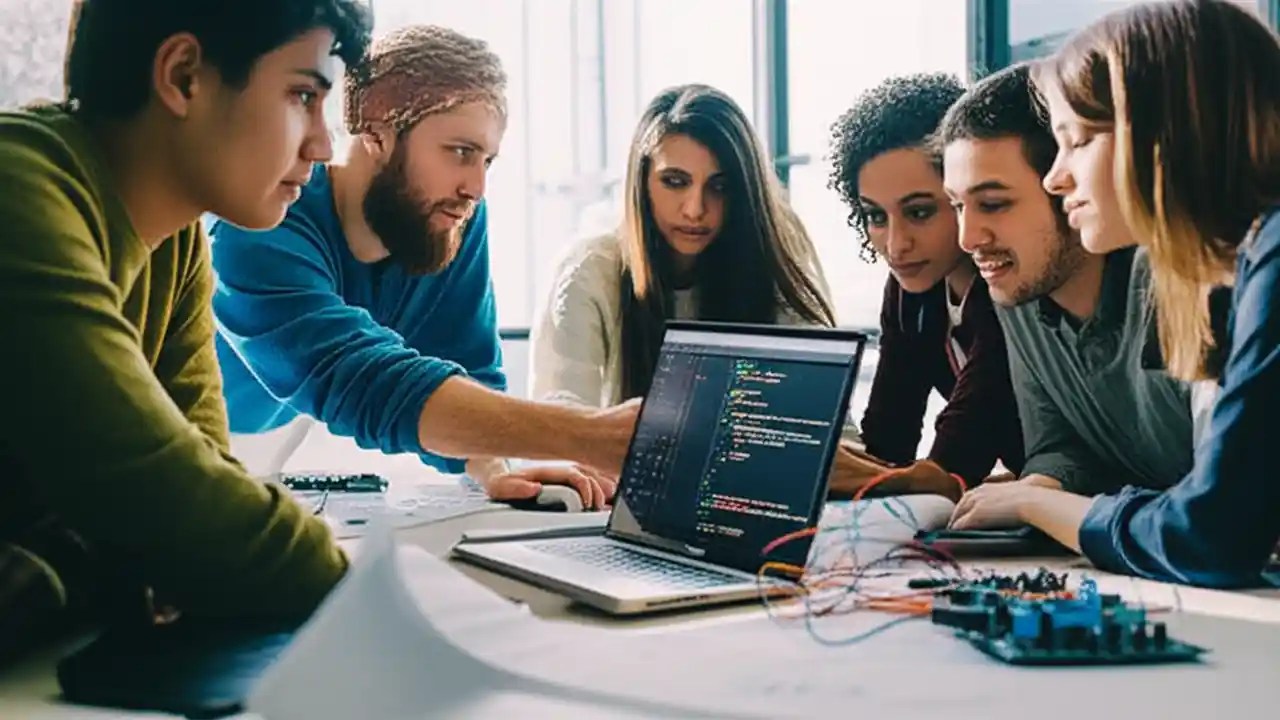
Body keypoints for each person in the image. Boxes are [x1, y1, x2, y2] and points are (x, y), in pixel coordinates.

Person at [0, 0, 371, 663]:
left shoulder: (173, 241)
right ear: (183, 77)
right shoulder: (17, 189)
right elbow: (158, 493)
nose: (322, 144)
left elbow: (202, 482)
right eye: (301, 95)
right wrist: (382, 590)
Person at [210, 25, 637, 510]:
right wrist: (590, 435)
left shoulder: (446, 222)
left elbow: (470, 366)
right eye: (460, 153)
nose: (475, 187)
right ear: (377, 133)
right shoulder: (262, 213)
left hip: (288, 441)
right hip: (190, 438)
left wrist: (496, 468)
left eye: (488, 161)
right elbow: (359, 377)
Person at [951, 0, 1280, 588]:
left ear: (1164, 135)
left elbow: (1209, 534)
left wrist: (1038, 505)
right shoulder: (1239, 269)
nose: (1057, 177)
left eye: (1076, 141)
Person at [937, 62, 1198, 501]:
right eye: (958, 205)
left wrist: (1043, 506)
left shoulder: (1178, 282)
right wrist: (1037, 489)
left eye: (994, 204)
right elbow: (1061, 446)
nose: (968, 239)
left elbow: (1226, 502)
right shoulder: (1017, 292)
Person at [530, 83, 835, 408]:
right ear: (642, 181)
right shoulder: (590, 271)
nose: (695, 209)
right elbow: (564, 420)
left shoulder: (773, 255)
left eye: (719, 186)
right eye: (674, 182)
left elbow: (824, 415)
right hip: (606, 460)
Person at [827, 72, 1024, 489]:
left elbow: (953, 466)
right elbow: (888, 439)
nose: (896, 245)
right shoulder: (910, 290)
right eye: (876, 217)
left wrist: (831, 471)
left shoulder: (1013, 285)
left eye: (919, 212)